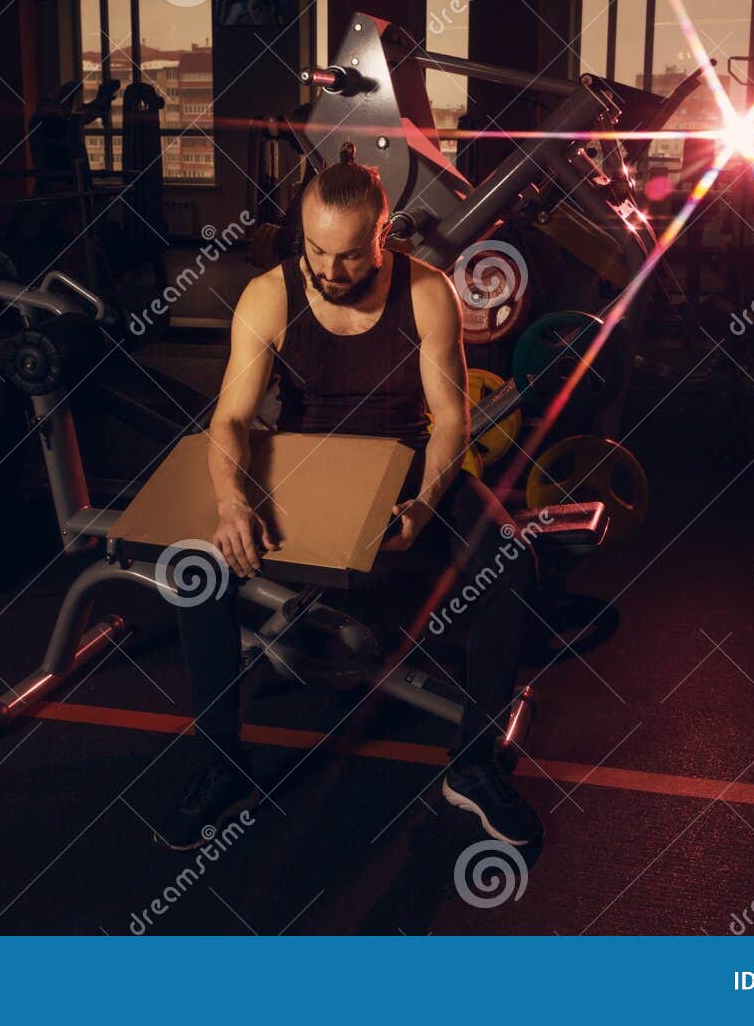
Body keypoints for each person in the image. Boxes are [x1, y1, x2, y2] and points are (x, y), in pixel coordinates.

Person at [156, 156, 544, 851]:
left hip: (404, 457)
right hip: (308, 460)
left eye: (347, 256)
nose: (329, 272)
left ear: (383, 233)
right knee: (197, 570)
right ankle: (222, 765)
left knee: (508, 561)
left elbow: (451, 422)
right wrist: (230, 505)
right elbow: (232, 420)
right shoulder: (269, 295)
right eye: (314, 251)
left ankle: (474, 764)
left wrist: (425, 504)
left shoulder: (427, 293)